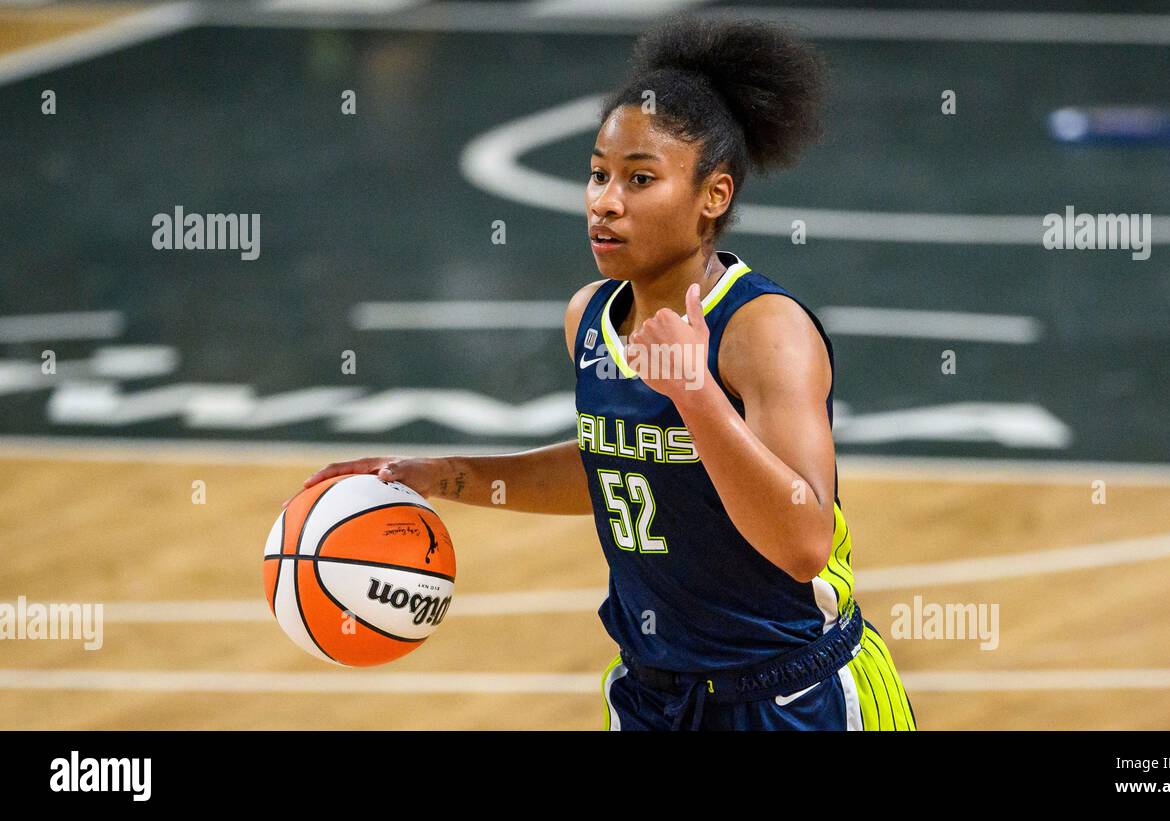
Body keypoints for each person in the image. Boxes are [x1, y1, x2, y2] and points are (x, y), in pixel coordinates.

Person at [303, 13, 915, 731]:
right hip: (653, 697)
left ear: (712, 197)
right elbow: (617, 466)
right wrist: (448, 475)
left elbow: (804, 543)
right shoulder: (589, 317)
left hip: (787, 695)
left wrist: (694, 394)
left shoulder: (762, 331)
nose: (605, 200)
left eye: (640, 178)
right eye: (598, 173)